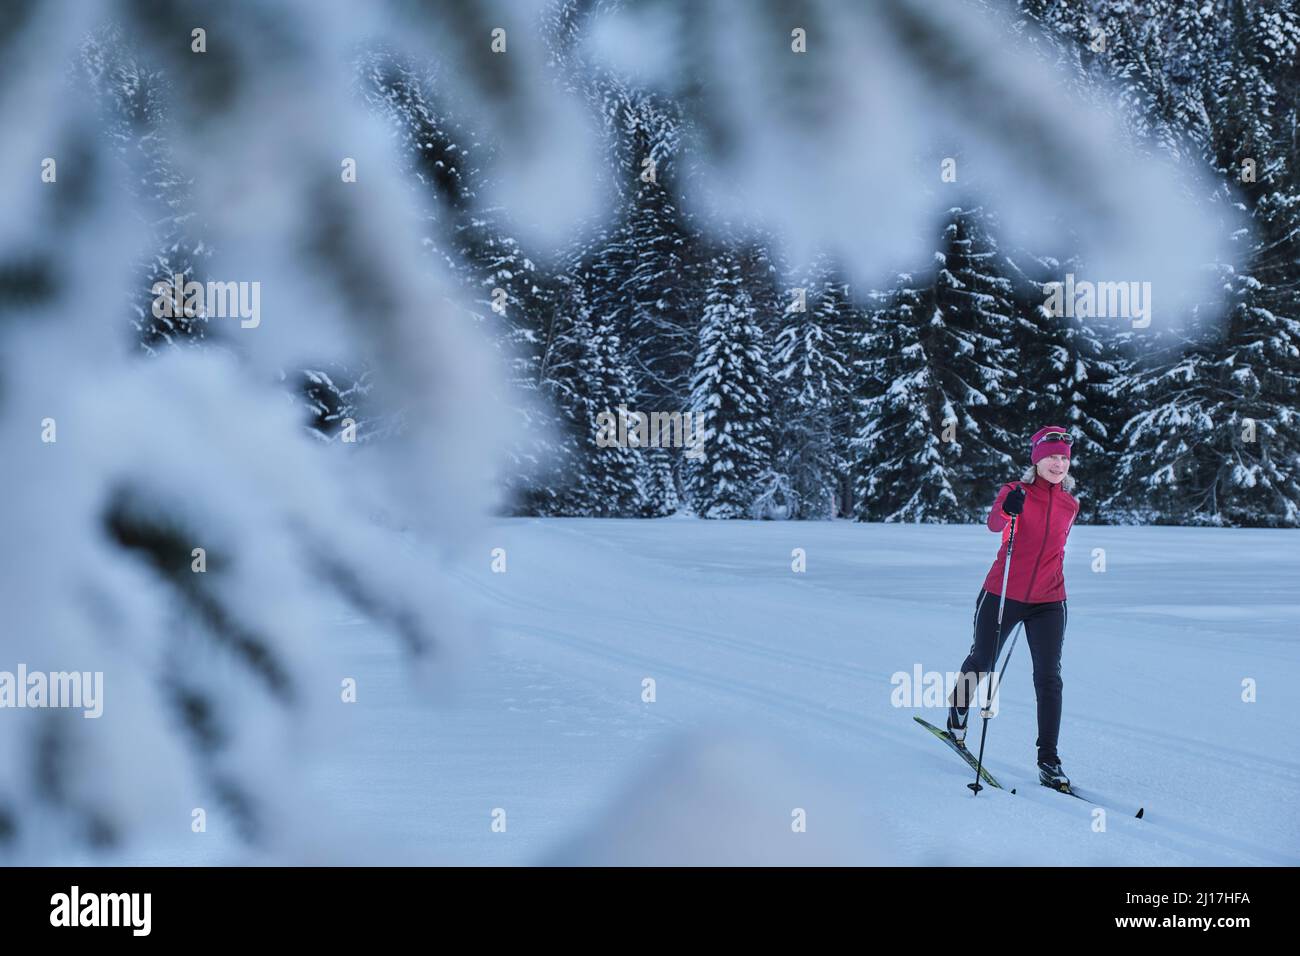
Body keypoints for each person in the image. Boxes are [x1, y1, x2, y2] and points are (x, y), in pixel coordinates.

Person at [945, 426, 1080, 790]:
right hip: (1003, 592)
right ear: (1036, 459)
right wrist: (1008, 510)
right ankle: (957, 712)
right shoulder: (1015, 491)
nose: (1058, 463)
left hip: (1050, 600)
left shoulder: (1071, 504)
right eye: (1051, 456)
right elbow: (994, 524)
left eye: (1064, 458)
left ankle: (1049, 761)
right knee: (983, 660)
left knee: (1049, 678)